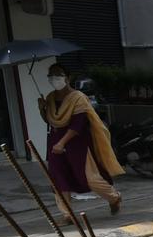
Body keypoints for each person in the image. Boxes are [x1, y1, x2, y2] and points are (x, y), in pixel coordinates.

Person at [38, 63, 124, 225]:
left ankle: (114, 197)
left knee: (90, 179)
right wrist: (42, 109)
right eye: (51, 75)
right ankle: (67, 215)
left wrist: (62, 143)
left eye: (58, 74)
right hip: (55, 144)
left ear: (67, 77)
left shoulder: (78, 97)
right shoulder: (50, 98)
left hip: (76, 144)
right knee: (58, 180)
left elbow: (78, 125)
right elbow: (51, 122)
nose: (54, 78)